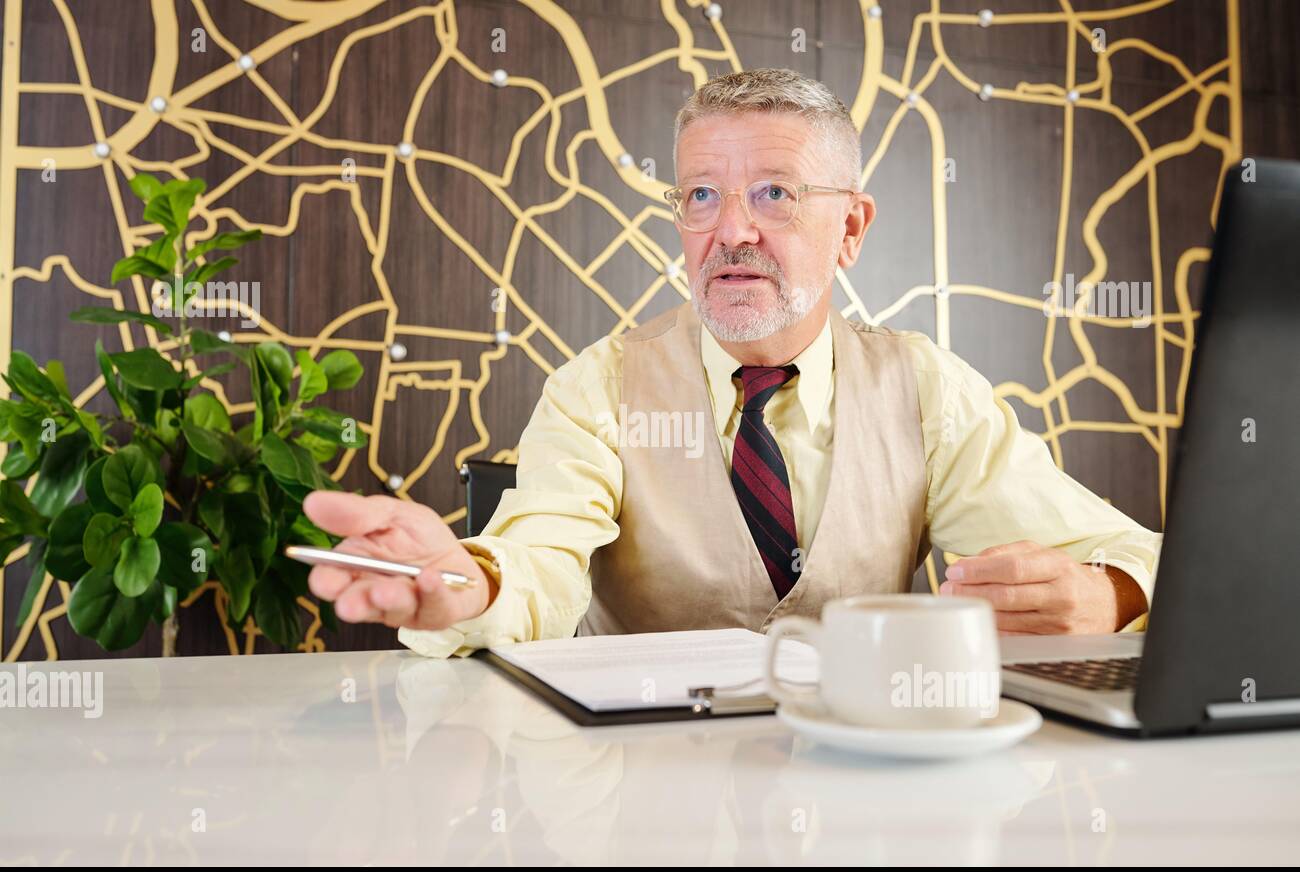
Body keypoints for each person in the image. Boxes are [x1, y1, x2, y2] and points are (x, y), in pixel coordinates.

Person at [303, 68, 1160, 659]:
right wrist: (469, 584)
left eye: (776, 194)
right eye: (702, 195)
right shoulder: (598, 387)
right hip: (639, 804)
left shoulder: (926, 390)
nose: (733, 231)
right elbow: (538, 560)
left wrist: (1109, 596)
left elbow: (1131, 555)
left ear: (852, 229)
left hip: (856, 807)